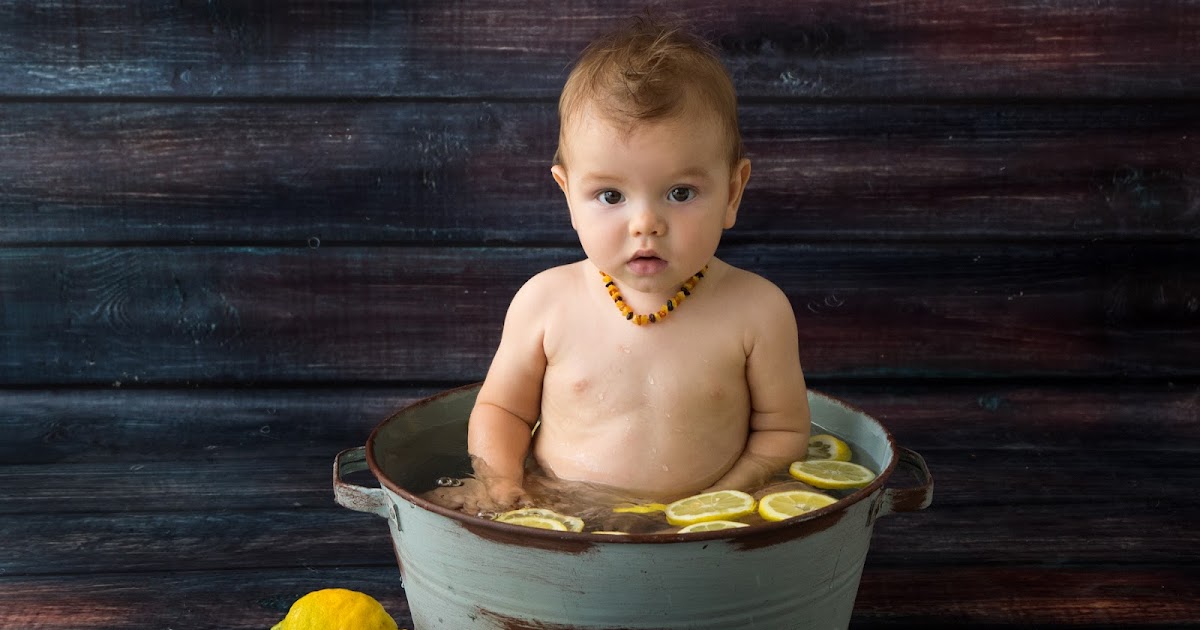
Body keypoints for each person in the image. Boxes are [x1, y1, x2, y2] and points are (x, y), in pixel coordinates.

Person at [450, 15, 811, 513]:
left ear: (732, 193)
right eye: (610, 195)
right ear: (569, 196)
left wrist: (730, 493)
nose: (646, 223)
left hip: (707, 523)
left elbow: (783, 431)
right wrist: (504, 482)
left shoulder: (757, 310)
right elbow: (501, 411)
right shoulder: (547, 302)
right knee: (454, 506)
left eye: (680, 193)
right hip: (560, 507)